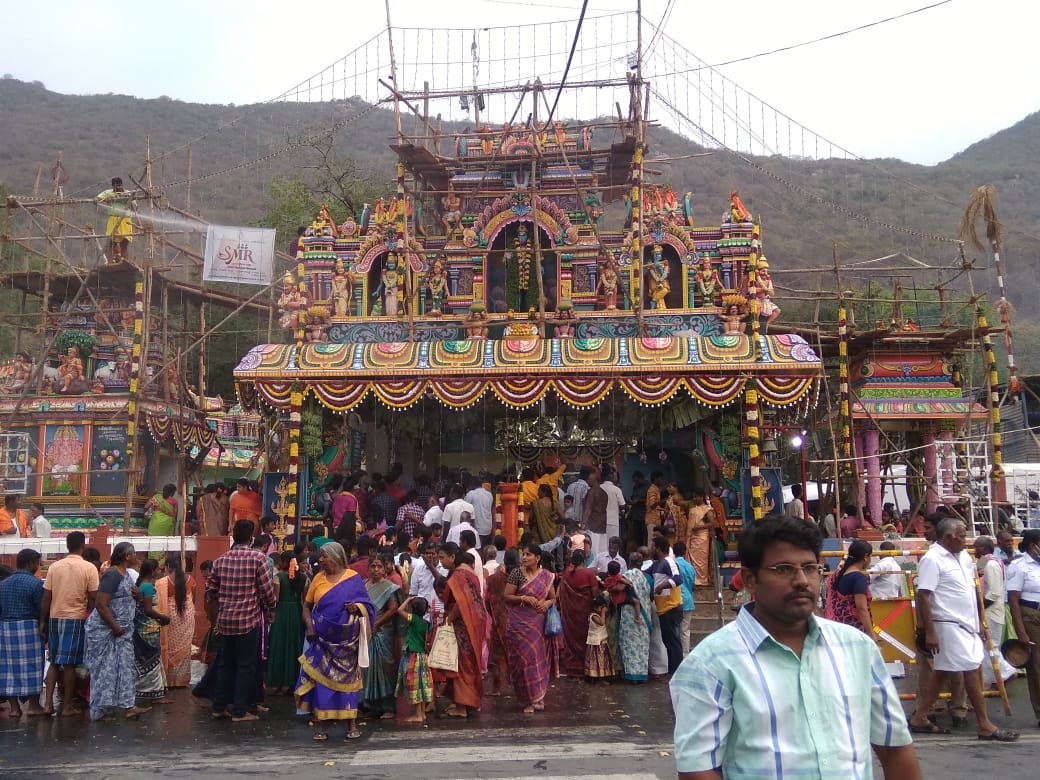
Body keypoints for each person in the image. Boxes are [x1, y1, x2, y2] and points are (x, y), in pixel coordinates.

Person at [670, 515, 921, 779]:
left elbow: (895, 749)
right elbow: (698, 770)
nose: (802, 580)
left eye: (811, 568)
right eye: (783, 569)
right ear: (750, 579)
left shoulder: (858, 649)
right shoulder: (709, 664)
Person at [909, 517, 1019, 740]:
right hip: (948, 624)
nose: (965, 539)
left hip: (967, 624)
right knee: (971, 668)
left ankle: (920, 717)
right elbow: (924, 595)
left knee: (942, 672)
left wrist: (980, 624)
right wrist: (930, 631)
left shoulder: (965, 558)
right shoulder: (932, 559)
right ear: (948, 537)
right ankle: (984, 724)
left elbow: (973, 592)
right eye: (961, 535)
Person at [296, 541, 374, 741]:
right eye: (320, 556)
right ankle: (323, 727)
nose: (320, 560)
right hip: (322, 640)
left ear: (336, 557)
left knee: (349, 683)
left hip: (347, 643)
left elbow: (367, 606)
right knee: (323, 683)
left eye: (324, 556)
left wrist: (356, 608)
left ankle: (352, 725)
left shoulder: (353, 578)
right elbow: (307, 606)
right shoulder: (317, 579)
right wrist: (310, 627)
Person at [205, 519, 277, 723]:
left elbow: (210, 590)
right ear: (251, 538)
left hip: (225, 621)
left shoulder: (220, 560)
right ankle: (239, 710)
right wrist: (271, 608)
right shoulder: (258, 559)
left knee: (225, 664)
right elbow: (267, 591)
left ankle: (219, 707)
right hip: (247, 621)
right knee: (245, 665)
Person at [86, 542, 152, 720]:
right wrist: (115, 626)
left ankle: (127, 704)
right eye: (134, 553)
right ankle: (101, 708)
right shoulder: (112, 574)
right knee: (105, 670)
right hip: (110, 630)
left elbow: (128, 596)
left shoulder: (126, 574)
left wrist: (137, 595)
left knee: (124, 668)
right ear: (127, 556)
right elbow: (101, 604)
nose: (136, 556)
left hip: (122, 631)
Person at [41, 531, 99, 716]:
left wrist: (43, 620)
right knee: (70, 664)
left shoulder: (54, 567)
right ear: (83, 545)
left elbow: (47, 596)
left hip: (55, 617)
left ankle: (48, 705)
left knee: (54, 662)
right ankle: (66, 707)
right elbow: (93, 598)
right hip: (76, 618)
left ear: (67, 546)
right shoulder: (89, 568)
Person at [504, 543, 558, 713]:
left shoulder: (547, 576)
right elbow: (506, 596)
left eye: (528, 554)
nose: (524, 557)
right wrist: (524, 599)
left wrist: (547, 603)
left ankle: (537, 699)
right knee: (522, 661)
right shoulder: (517, 573)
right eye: (523, 554)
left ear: (538, 558)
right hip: (518, 624)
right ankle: (527, 698)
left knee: (536, 659)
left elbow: (554, 598)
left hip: (537, 625)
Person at [438, 542, 486, 717]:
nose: (440, 561)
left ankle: (462, 707)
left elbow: (460, 602)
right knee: (470, 662)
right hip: (475, 621)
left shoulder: (458, 575)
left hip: (462, 623)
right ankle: (466, 701)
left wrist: (448, 620)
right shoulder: (469, 571)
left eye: (442, 557)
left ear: (452, 557)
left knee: (461, 663)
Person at [0, 548, 48, 716]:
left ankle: (14, 709)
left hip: (5, 628)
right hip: (29, 628)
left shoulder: (3, 584)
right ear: (30, 564)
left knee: (7, 669)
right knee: (33, 667)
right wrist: (44, 625)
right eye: (37, 563)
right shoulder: (36, 584)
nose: (38, 566)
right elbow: (40, 609)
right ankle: (34, 706)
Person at [1007, 528, 1040, 726]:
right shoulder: (1019, 567)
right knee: (1037, 665)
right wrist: (1020, 629)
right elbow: (1013, 599)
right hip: (1031, 614)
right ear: (1032, 545)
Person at [974, 536, 1017, 687]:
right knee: (984, 646)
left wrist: (978, 609)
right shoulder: (985, 561)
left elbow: (993, 593)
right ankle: (994, 679)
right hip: (987, 610)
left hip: (990, 611)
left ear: (984, 549)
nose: (974, 549)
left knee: (990, 645)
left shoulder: (991, 564)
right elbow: (975, 574)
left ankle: (1006, 672)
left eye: (976, 547)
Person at [362, 556, 402, 718]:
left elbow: (393, 609)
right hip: (365, 631)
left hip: (382, 633)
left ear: (385, 569)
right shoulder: (364, 585)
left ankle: (388, 707)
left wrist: (376, 624)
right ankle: (370, 705)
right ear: (368, 568)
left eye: (379, 566)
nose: (376, 569)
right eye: (373, 566)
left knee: (384, 668)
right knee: (367, 668)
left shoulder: (389, 588)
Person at [154, 552, 195, 689]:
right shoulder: (190, 579)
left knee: (169, 647)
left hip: (170, 616)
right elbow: (192, 599)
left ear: (169, 566)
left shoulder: (162, 582)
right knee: (184, 648)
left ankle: (168, 680)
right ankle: (181, 681)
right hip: (186, 616)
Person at [133, 558, 171, 704]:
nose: (159, 571)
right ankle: (155, 693)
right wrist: (163, 618)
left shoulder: (141, 585)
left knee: (149, 658)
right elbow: (148, 610)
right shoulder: (148, 587)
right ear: (152, 571)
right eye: (157, 569)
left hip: (143, 627)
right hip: (148, 628)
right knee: (153, 658)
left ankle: (153, 691)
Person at [267, 551, 304, 695]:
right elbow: (304, 600)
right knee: (294, 646)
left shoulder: (278, 577)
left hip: (281, 613)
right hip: (296, 613)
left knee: (279, 647)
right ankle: (291, 682)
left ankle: (277, 682)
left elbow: (275, 599)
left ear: (283, 562)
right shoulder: (303, 578)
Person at [558, 549, 600, 676]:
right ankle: (585, 666)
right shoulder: (589, 574)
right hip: (585, 611)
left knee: (572, 637)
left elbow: (561, 592)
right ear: (584, 560)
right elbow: (595, 594)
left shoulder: (566, 574)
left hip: (570, 612)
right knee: (585, 637)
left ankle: (572, 667)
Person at [395, 595, 433, 724]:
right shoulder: (426, 623)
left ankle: (418, 715)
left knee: (415, 685)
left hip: (413, 656)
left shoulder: (414, 620)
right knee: (422, 685)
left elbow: (399, 610)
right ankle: (422, 713)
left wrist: (407, 600)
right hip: (423, 657)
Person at [649, 536, 684, 674]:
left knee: (673, 643)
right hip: (663, 609)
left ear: (658, 548)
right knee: (668, 642)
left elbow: (678, 578)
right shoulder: (657, 564)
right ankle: (672, 672)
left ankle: (677, 673)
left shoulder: (669, 561)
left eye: (653, 546)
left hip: (671, 608)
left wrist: (662, 586)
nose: (652, 549)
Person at [825, 539, 874, 635]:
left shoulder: (839, 574)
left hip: (839, 627)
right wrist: (871, 634)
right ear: (865, 557)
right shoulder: (858, 578)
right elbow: (861, 608)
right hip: (854, 630)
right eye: (870, 556)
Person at [485, 548, 517, 697]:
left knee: (497, 657)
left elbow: (487, 600)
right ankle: (517, 687)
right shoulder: (520, 577)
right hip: (517, 622)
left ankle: (496, 688)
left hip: (498, 621)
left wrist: (494, 614)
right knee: (516, 655)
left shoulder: (495, 578)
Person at [615, 553, 652, 683]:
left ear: (630, 562)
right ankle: (641, 675)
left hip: (630, 615)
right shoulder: (645, 577)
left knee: (629, 644)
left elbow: (620, 587)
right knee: (641, 646)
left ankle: (631, 675)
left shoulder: (629, 574)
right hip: (645, 615)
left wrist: (609, 586)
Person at [95, 177, 136, 261]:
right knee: (111, 241)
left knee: (124, 242)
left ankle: (124, 260)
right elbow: (98, 199)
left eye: (120, 185)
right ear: (113, 186)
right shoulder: (108, 193)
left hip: (125, 220)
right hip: (113, 219)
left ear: (122, 185)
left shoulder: (128, 193)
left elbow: (135, 207)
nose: (118, 188)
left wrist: (129, 199)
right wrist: (98, 200)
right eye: (116, 186)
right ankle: (110, 261)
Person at [685, 489, 714, 586]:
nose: (694, 499)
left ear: (701, 497)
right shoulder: (693, 508)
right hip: (692, 537)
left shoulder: (707, 509)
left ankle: (702, 580)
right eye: (693, 497)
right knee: (691, 559)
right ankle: (693, 580)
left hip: (701, 537)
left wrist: (699, 527)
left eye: (695, 497)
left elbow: (711, 523)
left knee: (701, 561)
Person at [672, 541, 697, 655]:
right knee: (685, 630)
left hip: (674, 600)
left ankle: (675, 655)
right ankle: (685, 655)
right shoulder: (689, 566)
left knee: (674, 630)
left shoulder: (671, 564)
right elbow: (692, 584)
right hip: (687, 600)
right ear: (685, 552)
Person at [585, 592, 614, 681]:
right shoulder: (593, 616)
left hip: (602, 641)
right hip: (596, 642)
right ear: (595, 608)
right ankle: (594, 677)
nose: (602, 609)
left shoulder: (598, 614)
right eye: (600, 608)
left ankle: (603, 676)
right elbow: (602, 622)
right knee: (596, 661)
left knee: (602, 661)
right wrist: (604, 612)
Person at [144, 483, 179, 550]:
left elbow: (146, 506)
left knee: (153, 544)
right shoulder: (174, 502)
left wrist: (150, 512)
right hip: (167, 526)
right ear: (172, 492)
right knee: (164, 546)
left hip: (155, 524)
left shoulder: (156, 497)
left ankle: (153, 559)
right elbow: (175, 516)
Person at [464, 479, 495, 546]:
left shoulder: (471, 494)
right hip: (488, 528)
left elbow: (465, 509)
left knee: (478, 550)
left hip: (477, 529)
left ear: (471, 486)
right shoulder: (489, 494)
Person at [600, 468, 626, 542]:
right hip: (613, 522)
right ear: (610, 476)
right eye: (614, 475)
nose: (616, 478)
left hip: (600, 522)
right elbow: (622, 505)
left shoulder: (598, 488)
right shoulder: (616, 489)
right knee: (613, 544)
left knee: (601, 545)